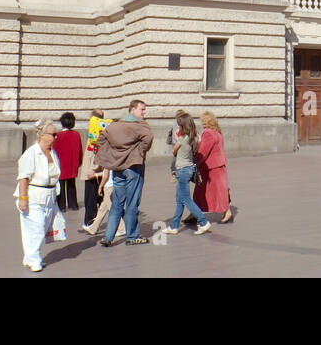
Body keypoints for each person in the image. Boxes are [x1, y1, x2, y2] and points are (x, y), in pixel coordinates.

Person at [95, 100, 154, 246]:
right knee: (132, 202)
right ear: (133, 109)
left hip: (118, 167)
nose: (144, 112)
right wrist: (140, 151)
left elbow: (101, 139)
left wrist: (113, 154)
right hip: (133, 167)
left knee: (117, 203)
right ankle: (132, 236)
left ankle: (108, 237)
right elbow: (149, 138)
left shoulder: (114, 126)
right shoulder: (139, 125)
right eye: (142, 109)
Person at [16, 121, 61, 272]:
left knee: (37, 229)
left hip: (49, 197)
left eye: (56, 134)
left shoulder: (53, 153)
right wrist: (23, 198)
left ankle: (28, 256)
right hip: (33, 196)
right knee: (38, 228)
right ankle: (35, 259)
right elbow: (23, 177)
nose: (56, 137)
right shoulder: (31, 153)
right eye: (53, 134)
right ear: (42, 135)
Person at [164, 113, 211, 235]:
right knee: (179, 200)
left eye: (180, 125)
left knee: (186, 199)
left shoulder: (182, 138)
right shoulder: (194, 137)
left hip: (182, 170)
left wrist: (175, 135)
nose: (179, 127)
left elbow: (174, 151)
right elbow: (199, 143)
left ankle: (203, 221)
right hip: (190, 168)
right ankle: (173, 226)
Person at [194, 111, 232, 224]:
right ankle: (195, 213)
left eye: (202, 120)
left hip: (210, 167)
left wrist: (195, 162)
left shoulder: (208, 133)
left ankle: (226, 211)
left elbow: (203, 152)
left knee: (202, 191)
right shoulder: (218, 132)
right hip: (219, 164)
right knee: (219, 190)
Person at [53, 112, 83, 213]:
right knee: (71, 185)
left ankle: (61, 205)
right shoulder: (76, 134)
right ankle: (73, 204)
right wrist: (79, 161)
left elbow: (55, 151)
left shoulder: (59, 136)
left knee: (61, 185)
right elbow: (79, 149)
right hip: (72, 163)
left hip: (61, 164)